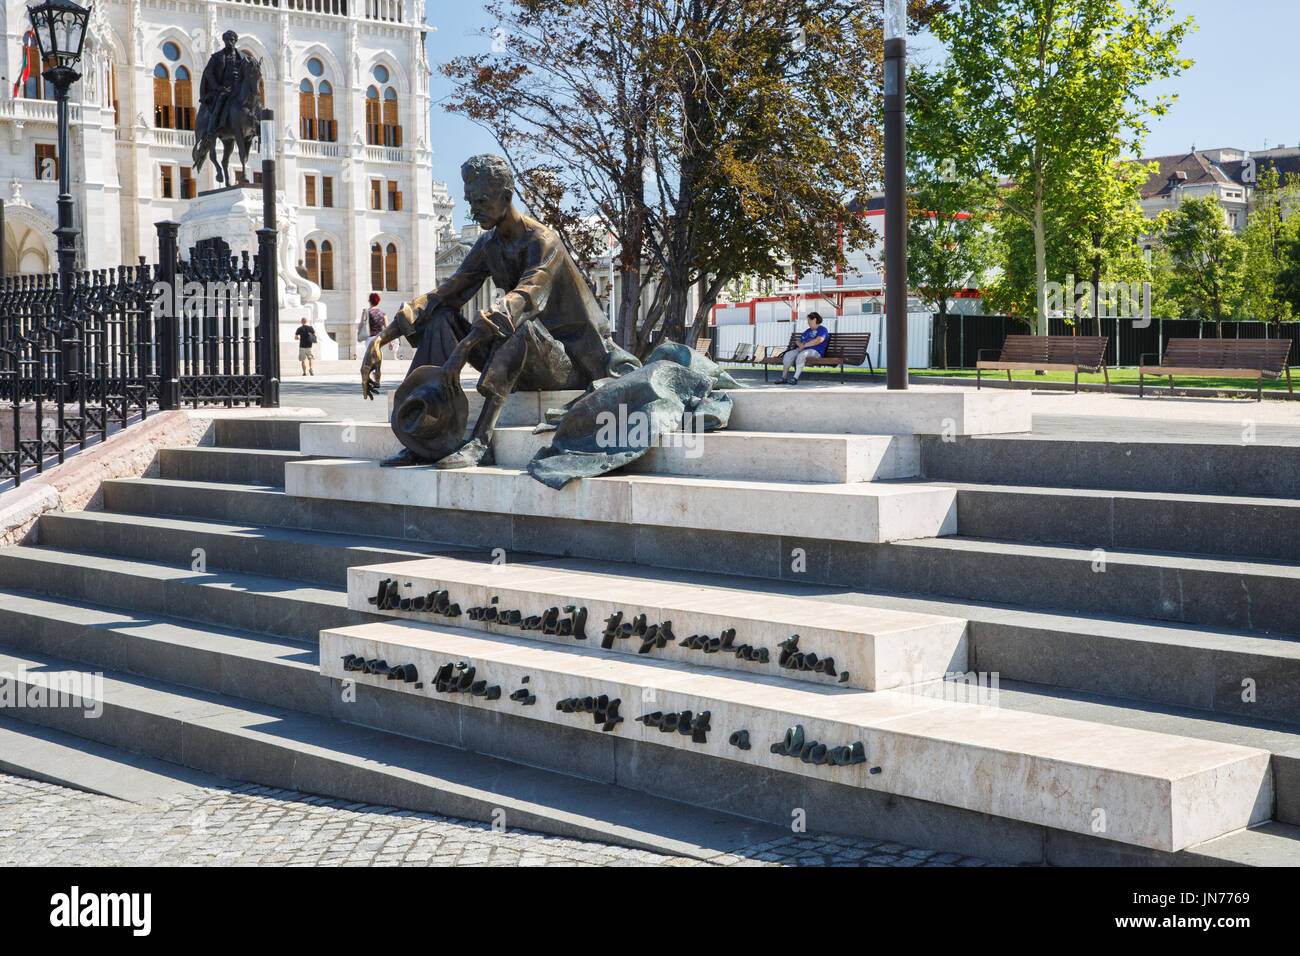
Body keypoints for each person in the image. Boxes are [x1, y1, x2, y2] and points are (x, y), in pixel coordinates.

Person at [362, 153, 639, 468]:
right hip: (520, 358)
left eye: (481, 201)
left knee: (520, 325)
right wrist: (381, 339)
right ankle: (426, 433)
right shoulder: (487, 244)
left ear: (506, 197)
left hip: (569, 364)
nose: (473, 209)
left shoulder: (543, 241)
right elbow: (445, 293)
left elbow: (521, 300)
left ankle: (481, 442)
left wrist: (463, 350)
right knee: (441, 317)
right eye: (470, 202)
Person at [777, 312, 828, 385]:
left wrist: (804, 345)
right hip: (802, 349)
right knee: (788, 354)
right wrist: (801, 345)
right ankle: (783, 377)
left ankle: (795, 378)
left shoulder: (822, 329)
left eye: (809, 320)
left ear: (815, 320)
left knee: (802, 355)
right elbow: (798, 340)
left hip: (816, 352)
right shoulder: (808, 331)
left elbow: (819, 340)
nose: (808, 322)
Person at [360, 293, 388, 387]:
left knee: (369, 359)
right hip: (380, 339)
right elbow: (387, 327)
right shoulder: (382, 313)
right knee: (377, 360)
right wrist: (391, 342)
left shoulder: (367, 312)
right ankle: (377, 380)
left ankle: (369, 378)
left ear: (370, 301)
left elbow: (361, 324)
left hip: (370, 338)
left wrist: (359, 334)